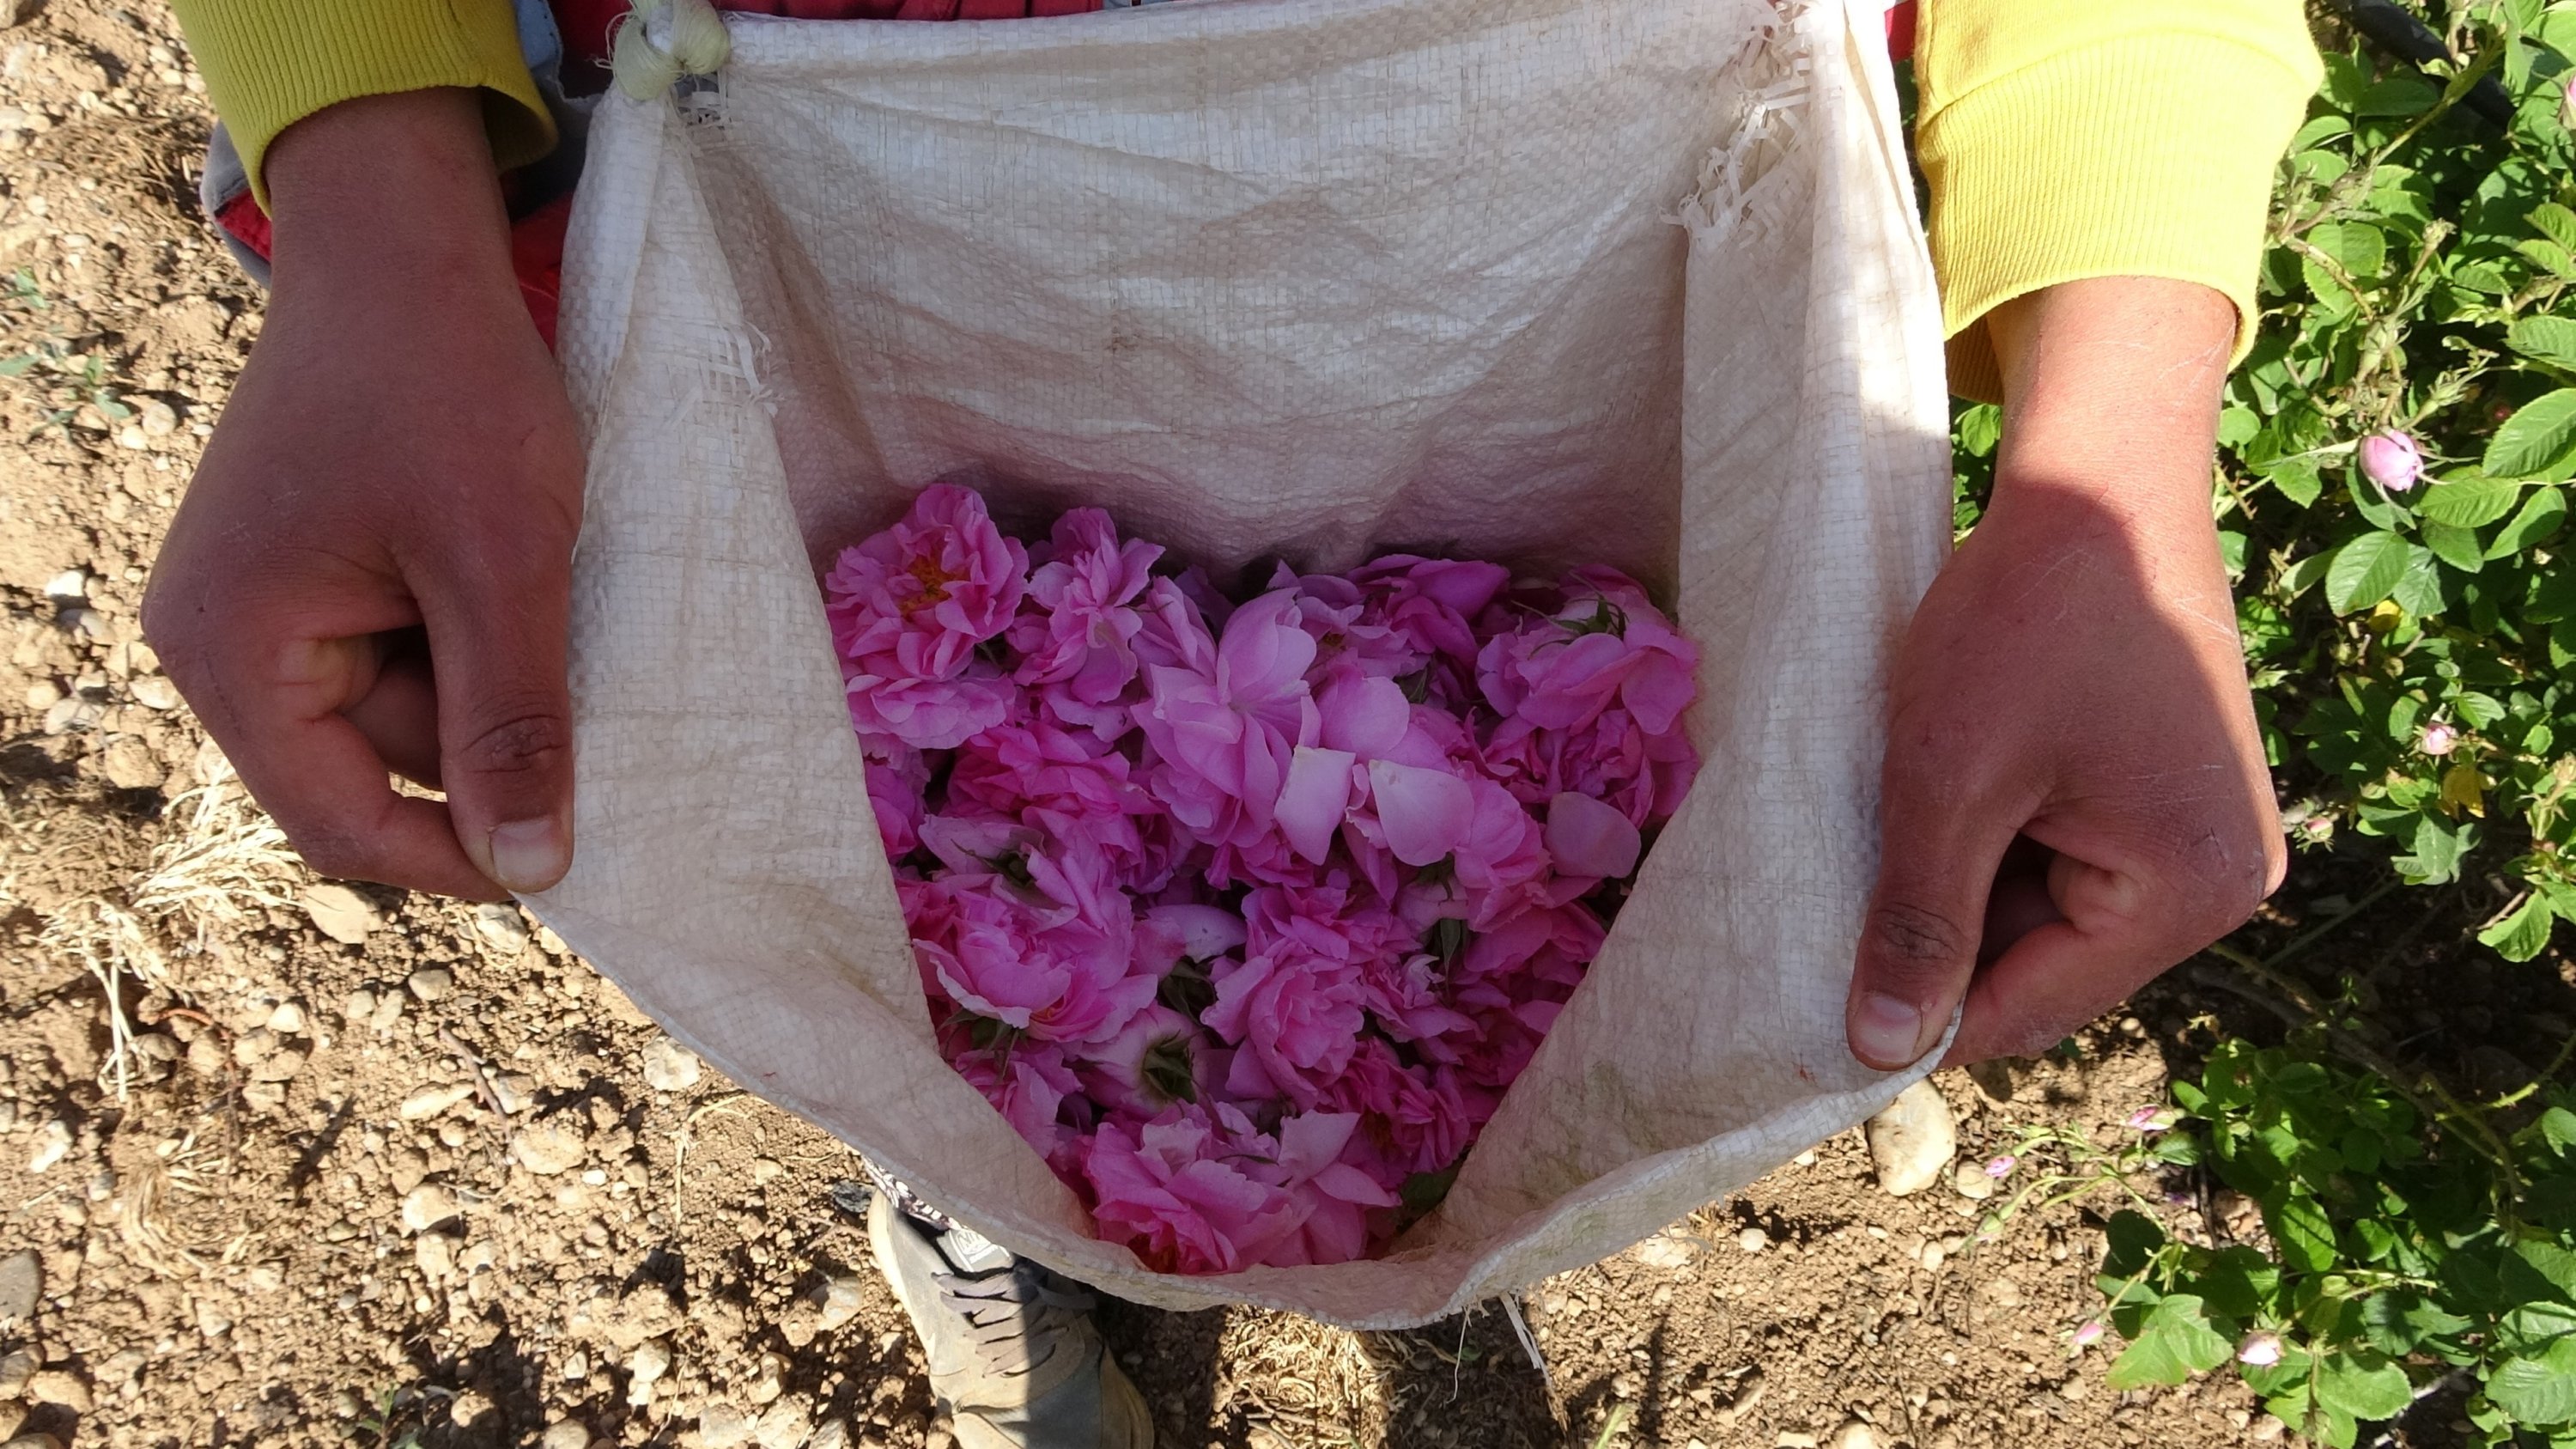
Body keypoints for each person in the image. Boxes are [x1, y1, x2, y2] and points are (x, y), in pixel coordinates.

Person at [143, 2, 2322, 1445]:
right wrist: (375, 202)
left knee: (897, 873)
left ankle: (1343, 1186)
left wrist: (2115, 442)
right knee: (799, 843)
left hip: (1595, 124)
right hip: (771, 125)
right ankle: (990, 1187)